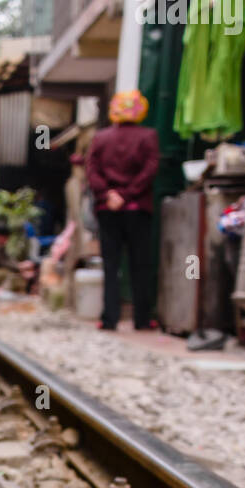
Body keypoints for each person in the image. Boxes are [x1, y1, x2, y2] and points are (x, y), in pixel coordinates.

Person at [86, 90, 160, 331]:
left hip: (108, 210)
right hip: (137, 208)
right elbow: (150, 170)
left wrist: (109, 195)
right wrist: (127, 194)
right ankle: (141, 319)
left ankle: (109, 318)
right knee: (140, 265)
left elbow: (91, 169)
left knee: (111, 265)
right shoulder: (149, 136)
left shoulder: (100, 138)